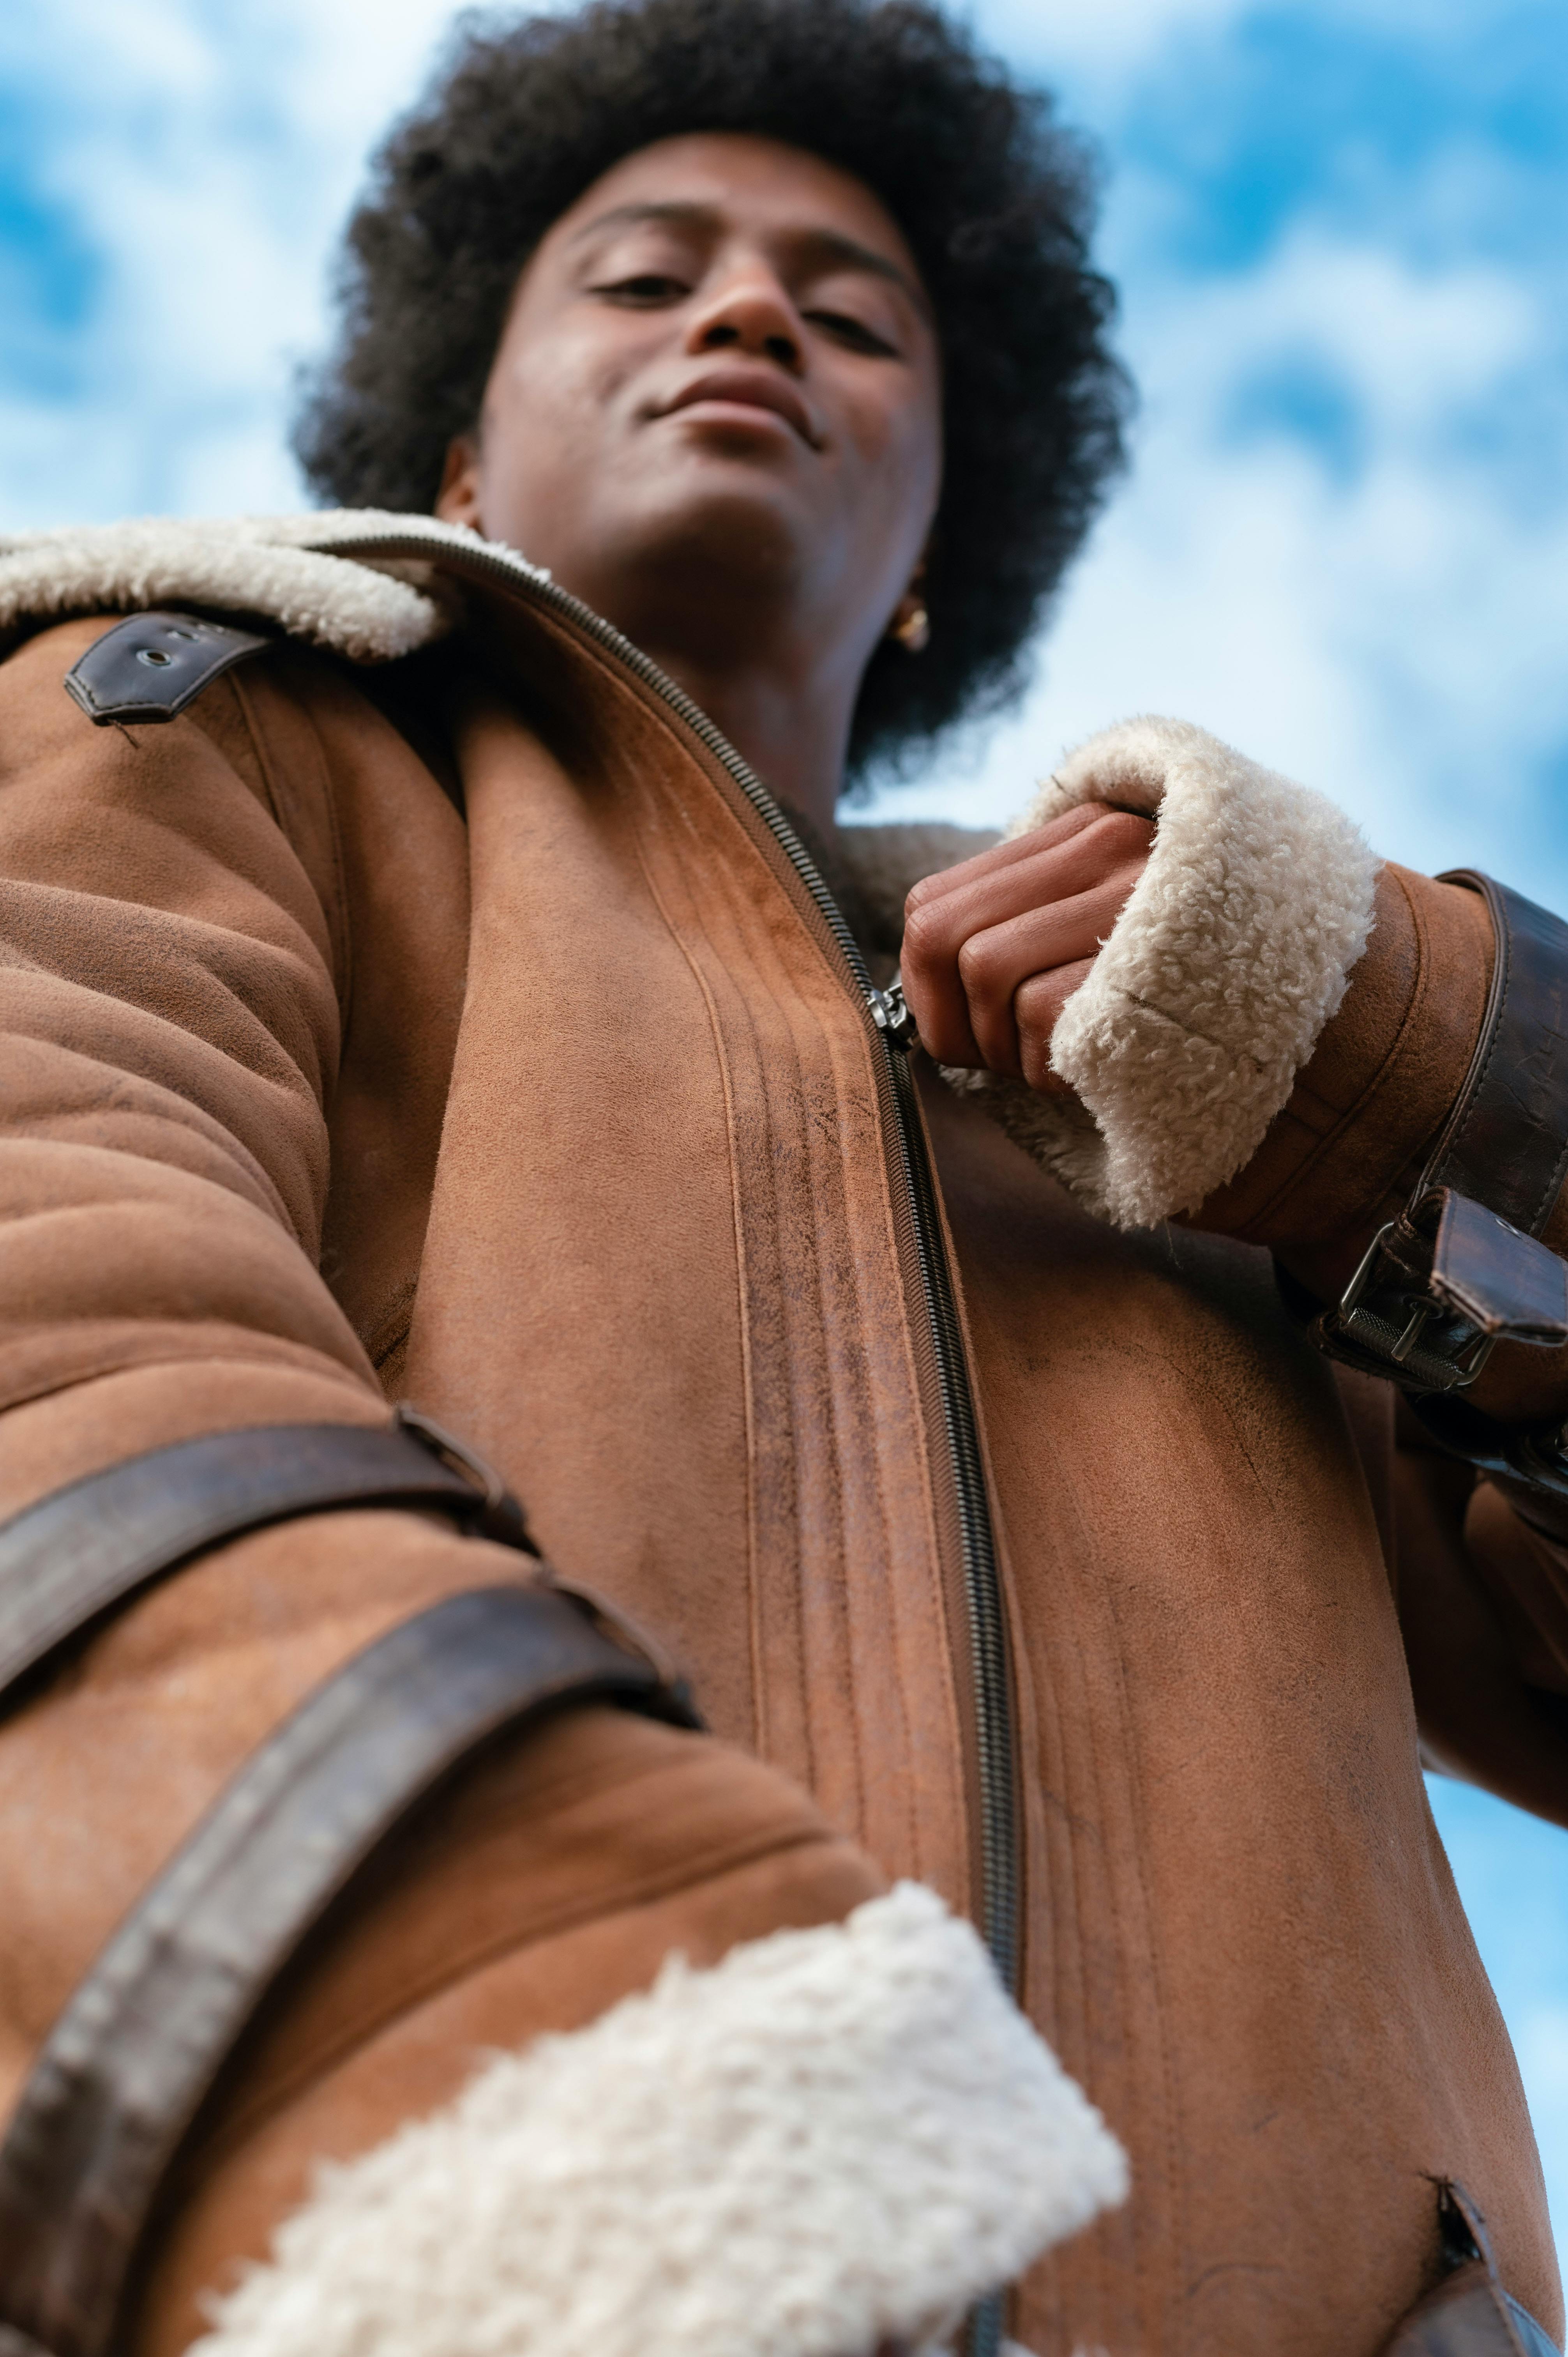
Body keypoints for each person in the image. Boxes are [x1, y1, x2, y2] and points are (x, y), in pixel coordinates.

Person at [0, 3, 1566, 2353]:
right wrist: (521, 2056)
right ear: (458, 440)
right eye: (643, 279)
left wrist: (1428, 1051)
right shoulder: (192, 707)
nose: (750, 315)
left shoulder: (1174, 1069)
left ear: (939, 538)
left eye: (853, 318)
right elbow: (52, 1319)